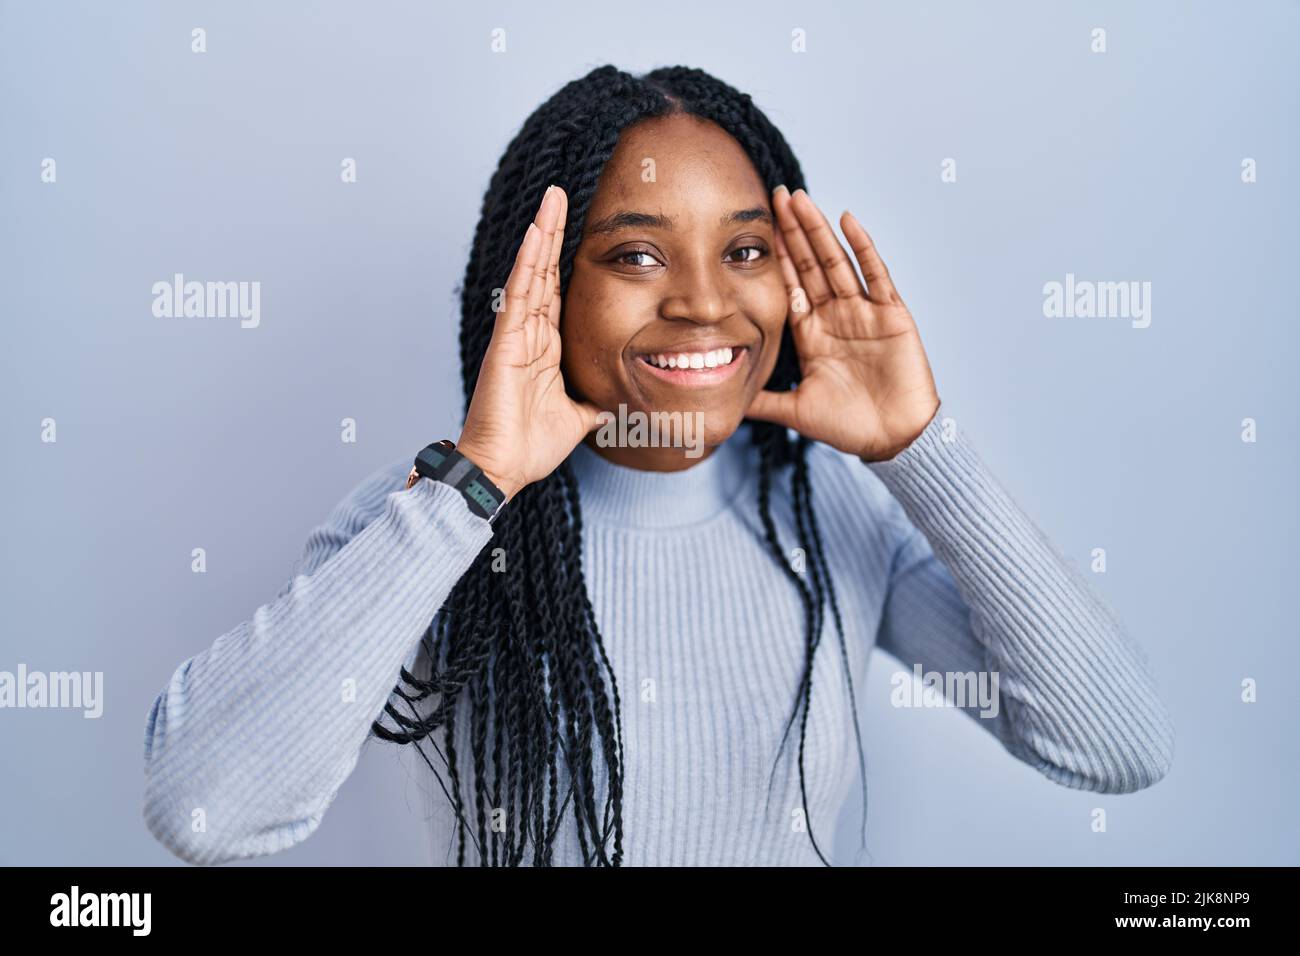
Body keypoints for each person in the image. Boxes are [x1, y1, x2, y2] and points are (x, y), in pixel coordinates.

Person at [142, 64, 1175, 867]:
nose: (701, 303)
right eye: (635, 254)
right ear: (540, 285)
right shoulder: (431, 522)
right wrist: (476, 484)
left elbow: (1115, 745)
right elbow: (203, 806)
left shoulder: (820, 510)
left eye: (745, 249)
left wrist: (919, 451)